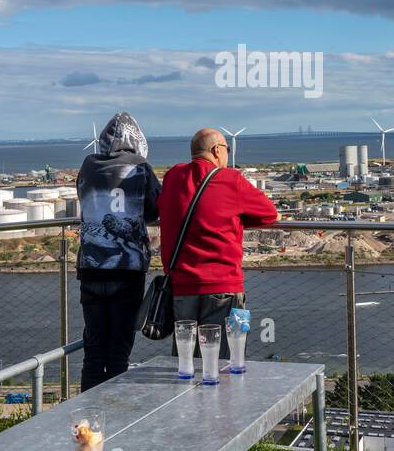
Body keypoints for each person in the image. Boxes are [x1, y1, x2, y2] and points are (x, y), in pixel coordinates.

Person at [158, 127, 278, 358]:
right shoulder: (230, 179)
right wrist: (234, 219)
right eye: (227, 149)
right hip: (223, 289)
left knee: (184, 364)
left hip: (182, 290)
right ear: (216, 150)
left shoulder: (173, 176)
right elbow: (269, 213)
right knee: (222, 365)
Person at [75, 112, 161, 392]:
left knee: (94, 350)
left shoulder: (88, 165)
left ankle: (86, 422)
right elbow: (154, 210)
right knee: (118, 352)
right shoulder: (140, 167)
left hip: (90, 266)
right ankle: (114, 416)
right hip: (127, 269)